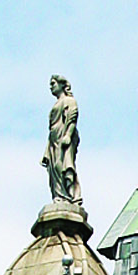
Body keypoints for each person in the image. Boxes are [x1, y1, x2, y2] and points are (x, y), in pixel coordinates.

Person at [43, 75, 83, 208]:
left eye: (53, 83)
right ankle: (59, 196)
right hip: (54, 139)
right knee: (54, 168)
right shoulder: (56, 104)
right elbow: (51, 129)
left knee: (63, 165)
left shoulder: (69, 101)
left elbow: (72, 118)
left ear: (62, 85)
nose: (51, 87)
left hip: (63, 136)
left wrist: (68, 135)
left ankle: (70, 195)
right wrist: (46, 151)